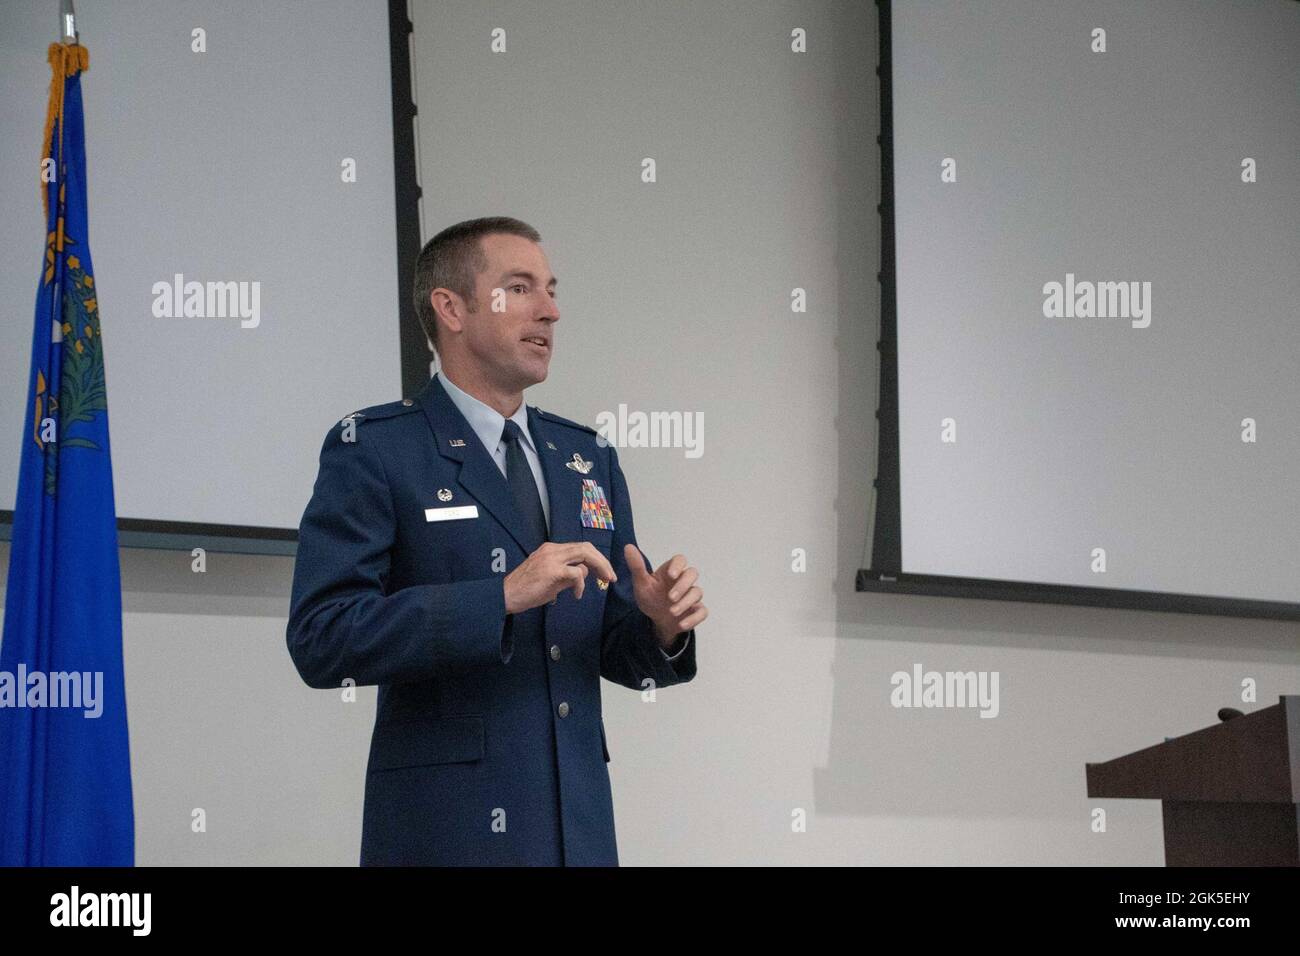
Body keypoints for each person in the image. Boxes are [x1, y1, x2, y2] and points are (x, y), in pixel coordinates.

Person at [286, 217, 706, 866]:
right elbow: (323, 639)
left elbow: (610, 648)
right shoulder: (377, 449)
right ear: (450, 308)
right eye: (522, 287)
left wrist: (659, 627)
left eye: (552, 289)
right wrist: (500, 597)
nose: (552, 310)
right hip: (448, 836)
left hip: (579, 835)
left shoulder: (586, 456)